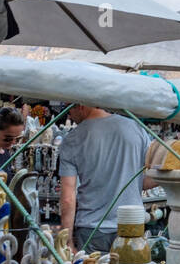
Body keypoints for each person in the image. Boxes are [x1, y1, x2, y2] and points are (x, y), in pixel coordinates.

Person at [59, 105, 152, 253]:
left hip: (92, 229)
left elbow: (68, 199)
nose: (69, 116)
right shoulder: (136, 128)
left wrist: (67, 242)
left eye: (69, 109)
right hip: (131, 226)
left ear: (80, 105)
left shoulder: (72, 139)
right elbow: (145, 181)